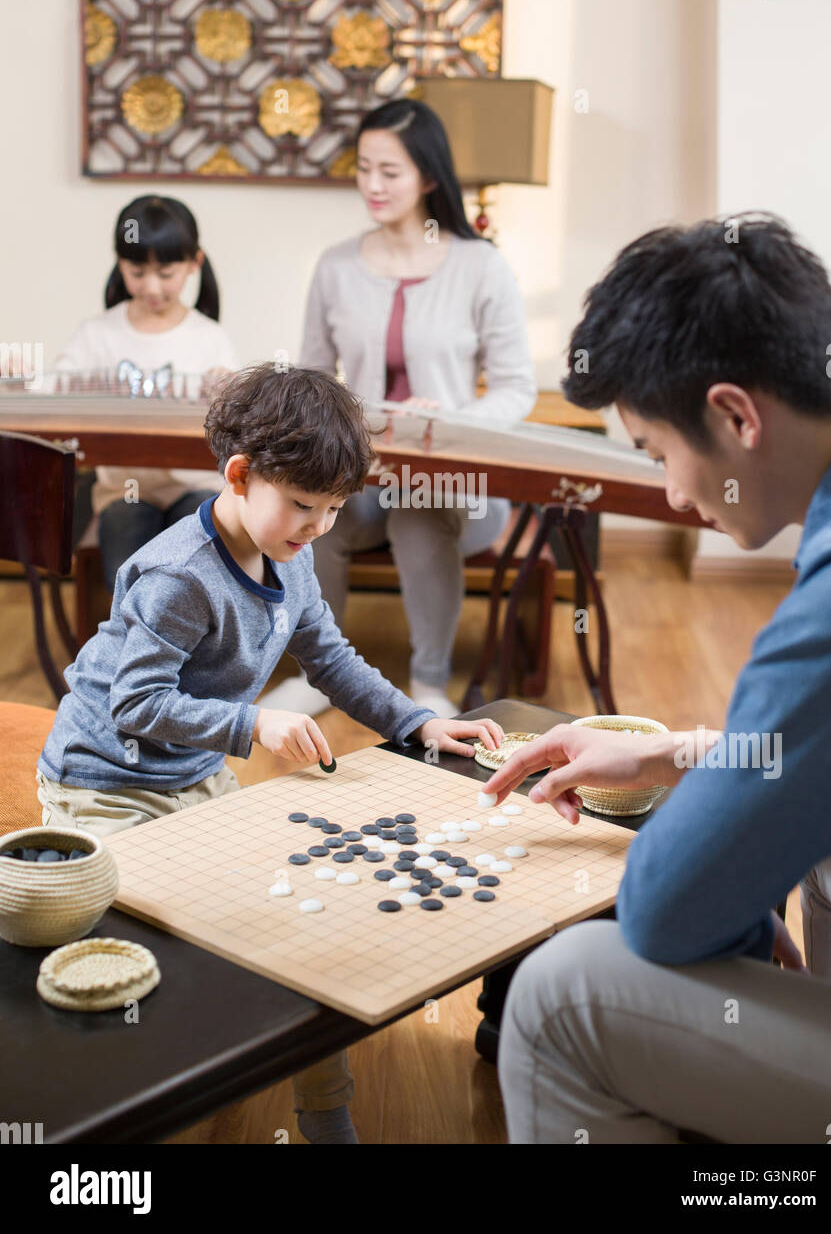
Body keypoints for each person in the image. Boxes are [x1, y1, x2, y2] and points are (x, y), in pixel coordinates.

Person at [35, 362, 504, 1144]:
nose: (317, 528)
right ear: (241, 474)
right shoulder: (178, 576)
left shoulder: (293, 551)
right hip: (105, 782)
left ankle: (324, 1112)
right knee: (168, 941)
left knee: (289, 926)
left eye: (333, 510)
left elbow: (332, 660)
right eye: (301, 506)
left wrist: (419, 723)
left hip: (190, 771)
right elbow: (134, 704)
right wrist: (252, 726)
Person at [482, 214, 831, 1143]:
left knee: (561, 997)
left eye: (659, 453)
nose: (673, 495)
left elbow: (662, 910)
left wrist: (720, 883)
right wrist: (671, 754)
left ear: (737, 415)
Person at [261, 98, 537, 720]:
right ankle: (318, 675)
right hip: (361, 481)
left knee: (420, 504)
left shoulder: (480, 265)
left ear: (429, 178)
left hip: (459, 486)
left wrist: (456, 420)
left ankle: (430, 682)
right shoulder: (336, 266)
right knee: (305, 496)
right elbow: (310, 379)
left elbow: (517, 388)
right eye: (364, 169)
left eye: (391, 171)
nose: (373, 186)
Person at [41, 195, 238, 592]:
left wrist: (226, 391)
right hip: (124, 491)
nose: (152, 287)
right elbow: (56, 392)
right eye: (136, 271)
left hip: (196, 485)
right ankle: (136, 646)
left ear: (194, 263)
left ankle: (193, 649)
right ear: (119, 264)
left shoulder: (209, 338)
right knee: (129, 548)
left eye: (166, 273)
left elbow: (239, 422)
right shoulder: (97, 334)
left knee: (203, 546)